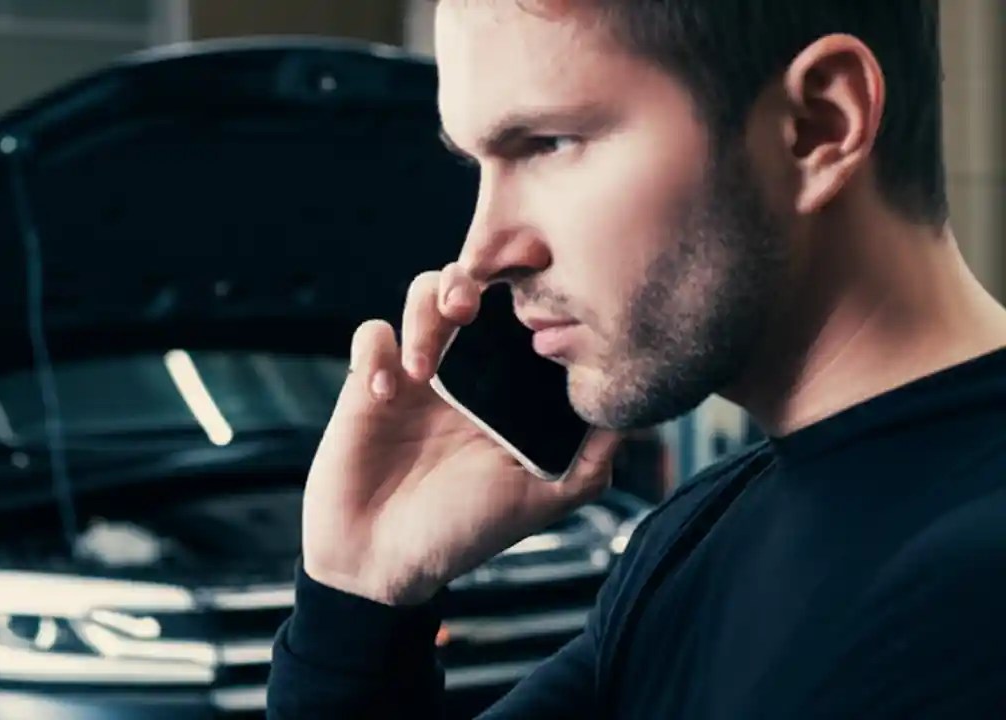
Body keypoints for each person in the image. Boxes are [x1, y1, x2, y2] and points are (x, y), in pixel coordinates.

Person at [267, 0, 1006, 717]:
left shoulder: (972, 594)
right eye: (479, 165)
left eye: (548, 144)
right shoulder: (696, 531)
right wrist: (358, 593)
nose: (480, 255)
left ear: (817, 125)